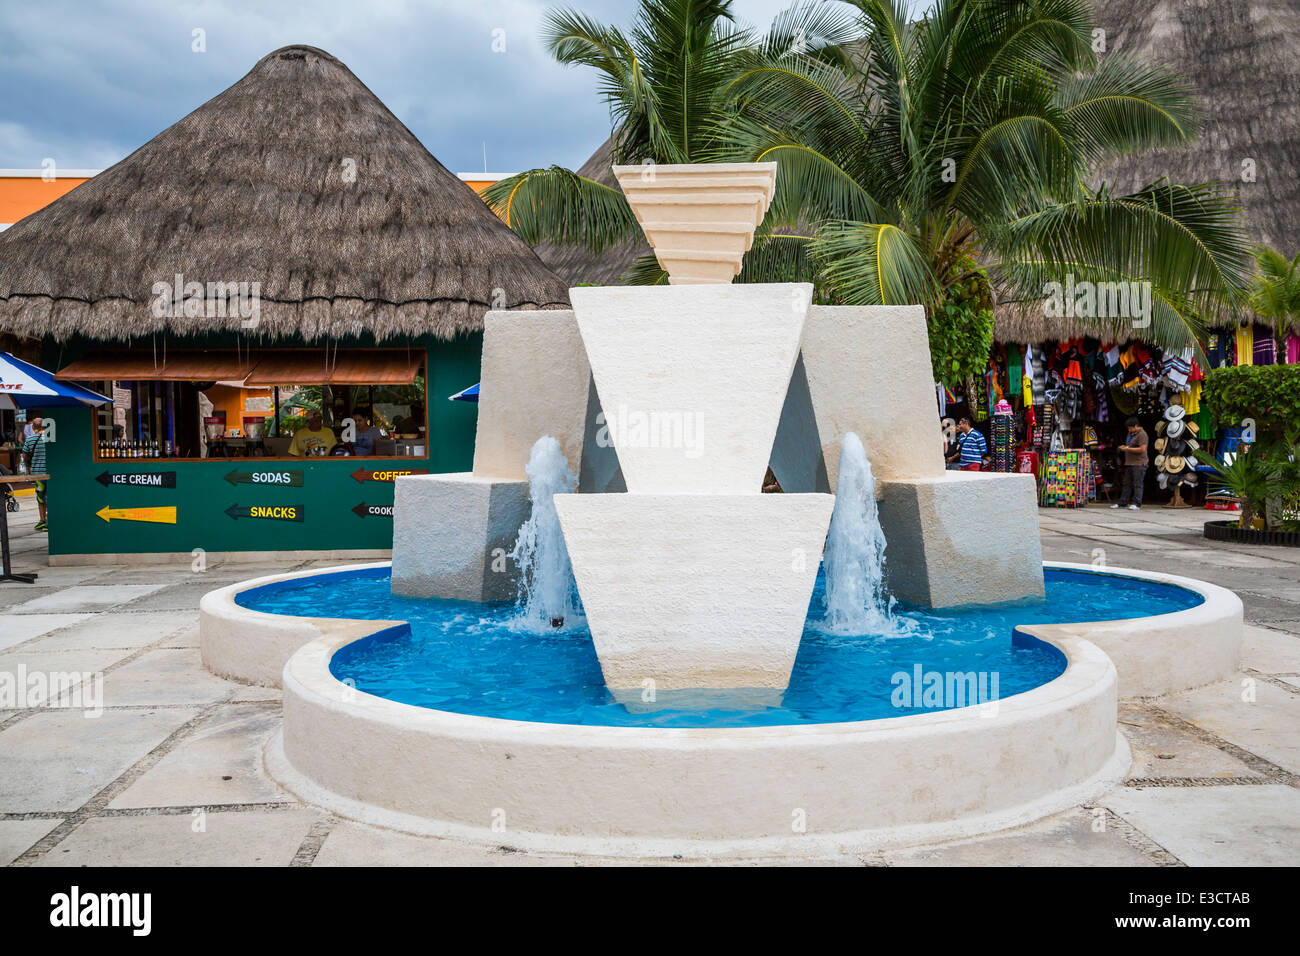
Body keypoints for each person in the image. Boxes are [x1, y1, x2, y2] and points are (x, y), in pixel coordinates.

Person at [1112, 416, 1149, 511]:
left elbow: (1142, 449)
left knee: (1137, 483)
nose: (1129, 429)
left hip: (1139, 463)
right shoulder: (1130, 433)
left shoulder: (1142, 435)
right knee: (1126, 483)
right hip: (1129, 462)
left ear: (1136, 426)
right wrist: (1125, 447)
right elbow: (1130, 445)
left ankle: (1137, 503)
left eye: (1130, 428)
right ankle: (1123, 502)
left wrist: (1127, 449)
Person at [19, 416, 49, 532]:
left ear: (33, 427)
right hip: (50, 474)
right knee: (50, 497)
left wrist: (28, 465)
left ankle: (42, 520)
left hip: (38, 474)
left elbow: (25, 456)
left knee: (40, 497)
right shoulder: (50, 439)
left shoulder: (30, 440)